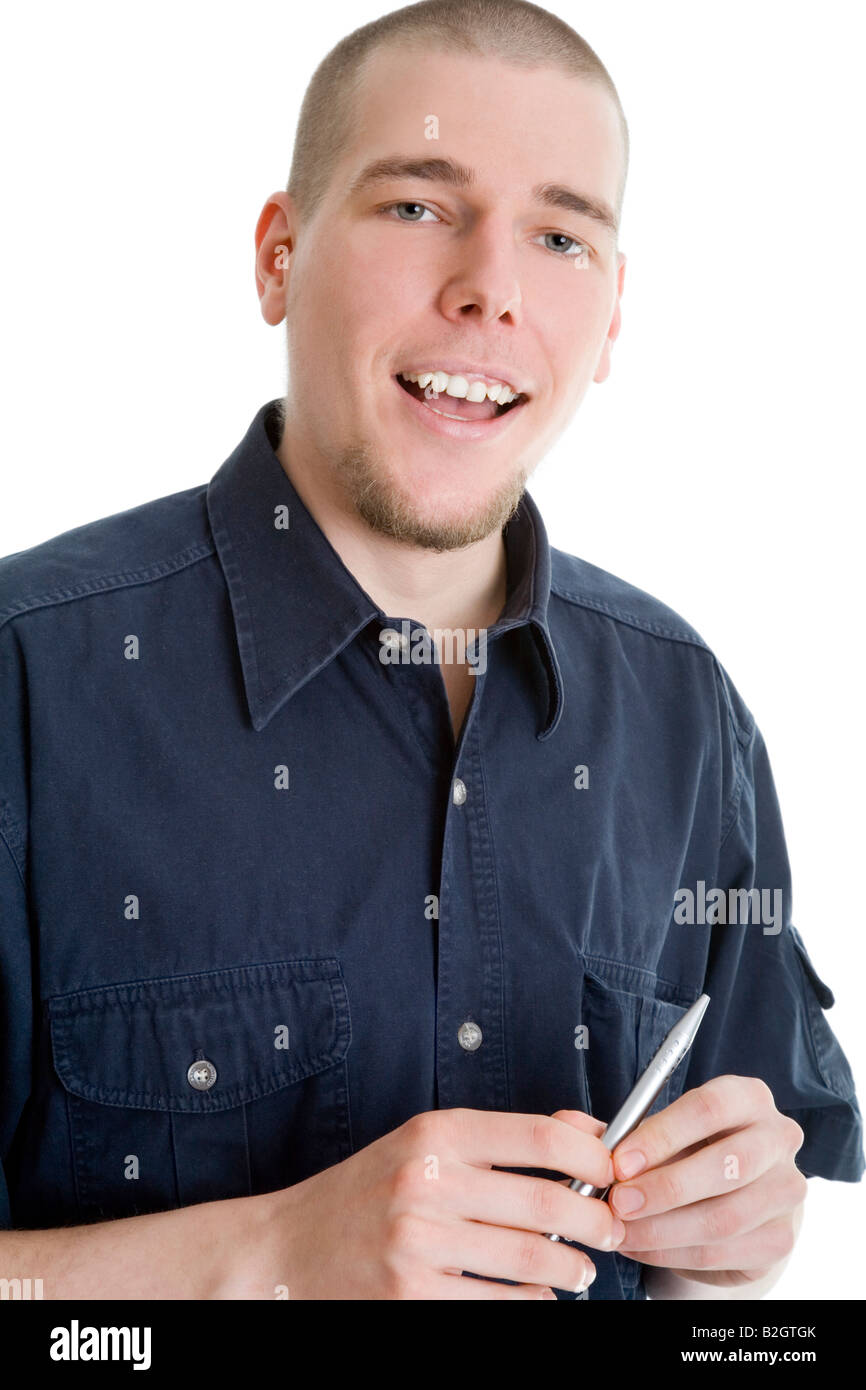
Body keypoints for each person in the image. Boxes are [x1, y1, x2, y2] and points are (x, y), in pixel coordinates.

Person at [0, 0, 861, 1302]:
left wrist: (745, 1232)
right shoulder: (27, 684)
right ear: (278, 256)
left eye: (559, 235)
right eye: (416, 206)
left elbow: (783, 1218)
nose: (491, 290)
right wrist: (266, 1256)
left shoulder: (689, 713)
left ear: (613, 313)